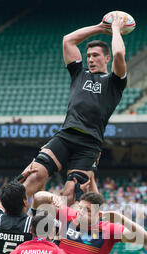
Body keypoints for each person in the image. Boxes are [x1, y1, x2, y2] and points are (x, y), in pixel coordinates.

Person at [19, 13, 127, 205]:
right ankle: (0, 214)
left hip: (90, 143)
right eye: (89, 56)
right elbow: (68, 40)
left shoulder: (114, 82)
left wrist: (116, 30)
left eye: (96, 55)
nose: (91, 59)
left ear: (107, 58)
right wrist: (101, 27)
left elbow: (119, 54)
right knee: (33, 174)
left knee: (71, 193)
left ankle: (57, 230)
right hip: (66, 135)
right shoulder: (79, 73)